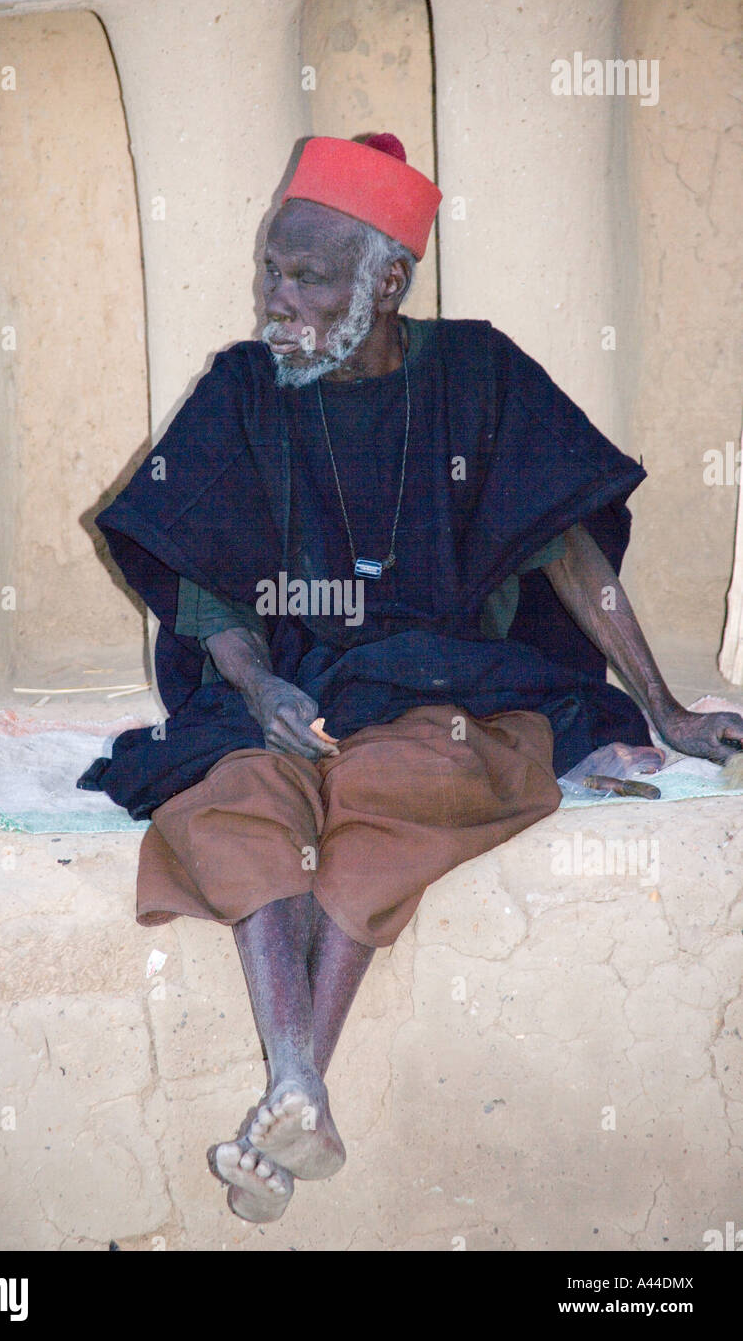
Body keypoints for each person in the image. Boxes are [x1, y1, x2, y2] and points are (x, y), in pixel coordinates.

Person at [78, 133, 743, 1223]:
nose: (276, 299)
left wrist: (664, 706)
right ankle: (295, 1081)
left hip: (445, 681)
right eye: (269, 272)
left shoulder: (477, 372)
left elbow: (567, 547)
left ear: (387, 282)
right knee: (235, 788)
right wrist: (254, 690)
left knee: (392, 782)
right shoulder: (244, 389)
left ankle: (294, 1086)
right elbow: (193, 579)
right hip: (282, 678)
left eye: (307, 276)